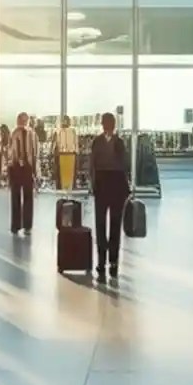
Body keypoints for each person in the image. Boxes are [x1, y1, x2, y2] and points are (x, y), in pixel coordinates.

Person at [89, 112, 130, 282]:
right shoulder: (97, 142)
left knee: (114, 225)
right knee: (101, 225)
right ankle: (102, 261)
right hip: (102, 185)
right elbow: (92, 165)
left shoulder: (119, 143)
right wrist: (92, 184)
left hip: (115, 186)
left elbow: (124, 165)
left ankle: (112, 262)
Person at [7, 112, 39, 235]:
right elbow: (10, 151)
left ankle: (27, 225)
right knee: (15, 196)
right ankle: (15, 225)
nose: (22, 123)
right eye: (20, 120)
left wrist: (35, 170)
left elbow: (35, 151)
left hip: (28, 167)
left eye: (25, 120)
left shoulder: (32, 134)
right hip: (15, 167)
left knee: (28, 196)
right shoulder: (13, 133)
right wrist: (10, 168)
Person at [54, 115, 79, 192]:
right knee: (61, 175)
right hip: (62, 155)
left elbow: (76, 143)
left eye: (66, 120)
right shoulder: (58, 131)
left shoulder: (73, 131)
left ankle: (70, 187)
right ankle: (62, 187)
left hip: (71, 155)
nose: (64, 122)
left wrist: (76, 152)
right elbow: (57, 144)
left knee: (70, 175)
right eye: (63, 121)